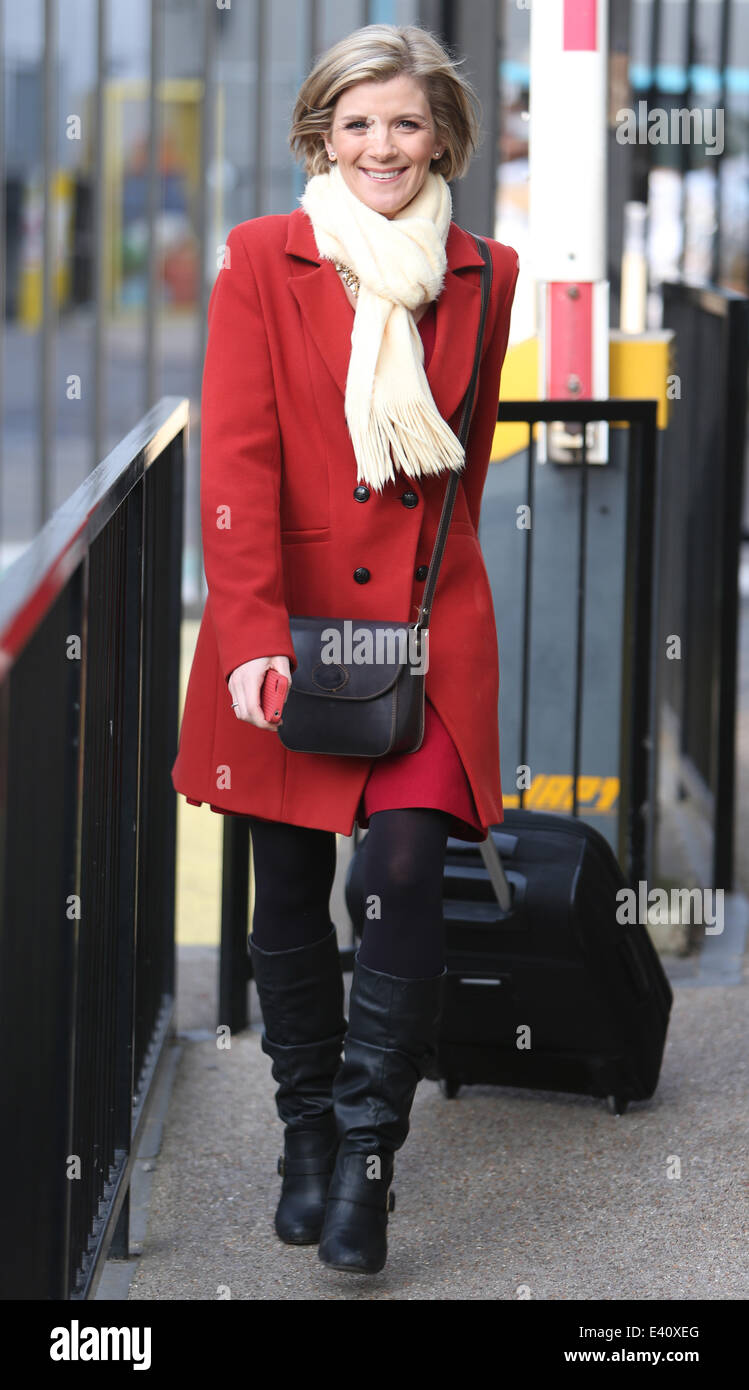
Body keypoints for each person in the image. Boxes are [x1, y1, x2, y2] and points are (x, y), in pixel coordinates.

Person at [171, 22, 519, 1275]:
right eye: (357, 123)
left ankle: (368, 1163)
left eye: (406, 124)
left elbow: (463, 458)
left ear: (443, 138)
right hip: (289, 624)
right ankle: (303, 1139)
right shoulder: (264, 259)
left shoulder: (488, 268)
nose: (382, 145)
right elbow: (237, 453)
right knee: (284, 894)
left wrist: (437, 607)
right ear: (322, 133)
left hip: (426, 629)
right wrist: (250, 633)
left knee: (406, 874)